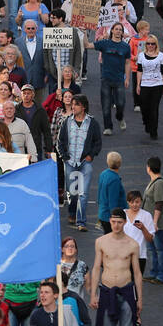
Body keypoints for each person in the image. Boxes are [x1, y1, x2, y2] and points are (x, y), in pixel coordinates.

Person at [89, 209, 142, 326]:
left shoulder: (133, 244)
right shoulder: (101, 242)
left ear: (125, 223)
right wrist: (93, 294)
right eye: (113, 222)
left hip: (126, 292)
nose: (116, 225)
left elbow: (137, 273)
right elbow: (96, 268)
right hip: (106, 291)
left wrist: (140, 299)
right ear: (110, 221)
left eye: (119, 222)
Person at [57, 94, 102, 232]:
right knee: (72, 192)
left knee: (83, 193)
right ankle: (72, 212)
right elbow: (60, 141)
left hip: (84, 163)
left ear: (83, 107)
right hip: (70, 162)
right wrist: (64, 157)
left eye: (76, 104)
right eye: (72, 104)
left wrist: (91, 156)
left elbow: (97, 142)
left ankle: (81, 221)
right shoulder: (66, 122)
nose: (73, 107)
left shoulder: (92, 123)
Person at [142, 156, 163, 285]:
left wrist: (154, 222)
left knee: (160, 249)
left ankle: (162, 276)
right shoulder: (154, 181)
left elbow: (159, 204)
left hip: (159, 223)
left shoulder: (159, 183)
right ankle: (154, 273)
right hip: (150, 223)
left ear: (149, 168)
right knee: (152, 249)